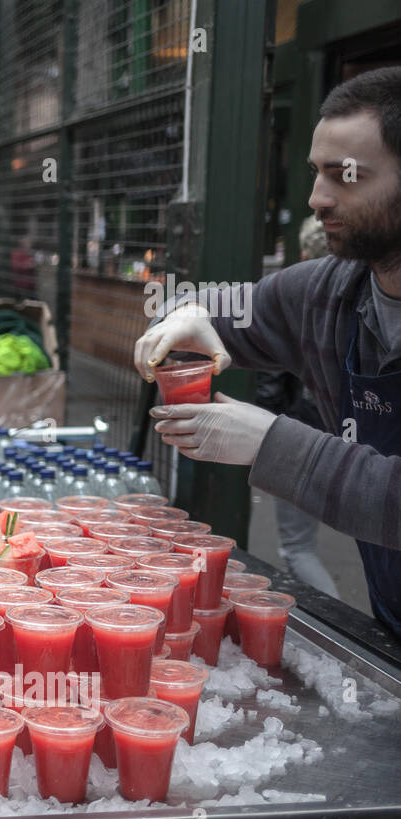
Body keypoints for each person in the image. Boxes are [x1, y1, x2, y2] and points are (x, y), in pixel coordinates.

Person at [136, 67, 401, 634]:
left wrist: (269, 443)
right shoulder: (332, 290)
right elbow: (234, 304)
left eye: (345, 176)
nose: (317, 199)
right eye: (315, 173)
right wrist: (189, 314)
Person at [252, 217, 339, 598]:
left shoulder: (298, 307)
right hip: (339, 439)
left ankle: (341, 631)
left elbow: (271, 381)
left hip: (303, 433)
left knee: (297, 546)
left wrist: (261, 440)